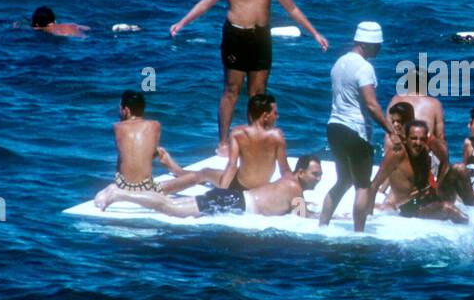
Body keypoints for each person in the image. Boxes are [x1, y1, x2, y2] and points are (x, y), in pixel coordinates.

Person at [168, 0, 329, 155]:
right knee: (232, 90)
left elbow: (291, 8)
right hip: (235, 37)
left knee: (258, 93)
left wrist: (315, 34)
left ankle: (255, 139)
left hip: (260, 38)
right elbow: (206, 3)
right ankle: (223, 142)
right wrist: (182, 22)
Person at [318, 22, 399, 232]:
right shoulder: (365, 68)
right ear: (369, 44)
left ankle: (322, 225)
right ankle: (359, 233)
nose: (380, 48)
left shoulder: (339, 63)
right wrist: (391, 130)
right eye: (378, 44)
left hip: (334, 127)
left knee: (342, 180)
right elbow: (371, 105)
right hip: (355, 130)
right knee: (363, 184)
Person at [95, 155, 324, 218]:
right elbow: (304, 216)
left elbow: (296, 206)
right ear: (301, 172)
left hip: (233, 199)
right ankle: (119, 193)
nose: (319, 178)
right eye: (316, 174)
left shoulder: (290, 183)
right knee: (171, 208)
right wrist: (337, 216)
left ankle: (122, 192)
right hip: (233, 202)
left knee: (171, 204)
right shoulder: (295, 188)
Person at [154, 93, 290, 193]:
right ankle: (176, 170)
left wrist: (222, 193)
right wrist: (296, 195)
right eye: (275, 113)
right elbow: (285, 170)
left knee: (204, 173)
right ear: (265, 116)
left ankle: (164, 182)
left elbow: (231, 165)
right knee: (212, 173)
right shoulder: (277, 136)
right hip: (262, 188)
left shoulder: (238, 133)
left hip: (240, 185)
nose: (277, 116)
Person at [373, 120, 468, 222]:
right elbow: (374, 184)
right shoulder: (397, 154)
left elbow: (444, 158)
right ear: (406, 138)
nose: (418, 143)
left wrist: (438, 184)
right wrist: (368, 212)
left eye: (422, 139)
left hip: (429, 198)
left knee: (460, 170)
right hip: (409, 206)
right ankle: (471, 228)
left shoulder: (425, 151)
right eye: (414, 138)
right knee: (448, 208)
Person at [101, 90, 165, 194]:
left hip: (122, 186)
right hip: (147, 187)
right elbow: (151, 155)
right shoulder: (155, 125)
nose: (119, 111)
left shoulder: (117, 127)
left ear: (126, 110)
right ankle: (197, 176)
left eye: (120, 108)